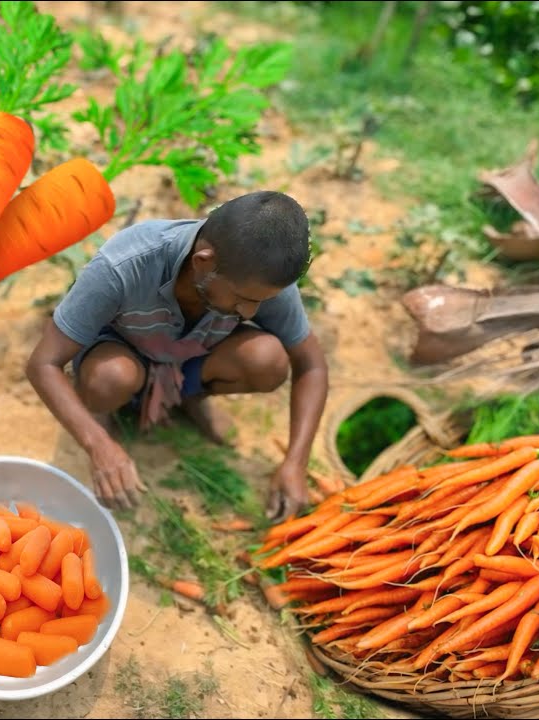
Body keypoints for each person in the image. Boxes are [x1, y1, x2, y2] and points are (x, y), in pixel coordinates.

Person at [25, 190, 329, 523]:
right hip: (123, 354)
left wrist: (295, 462)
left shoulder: (258, 276)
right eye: (242, 299)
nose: (250, 312)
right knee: (110, 378)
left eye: (260, 301)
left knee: (267, 359)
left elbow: (311, 365)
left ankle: (189, 397)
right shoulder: (126, 264)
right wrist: (97, 445)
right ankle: (102, 414)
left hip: (190, 355)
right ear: (203, 262)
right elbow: (43, 363)